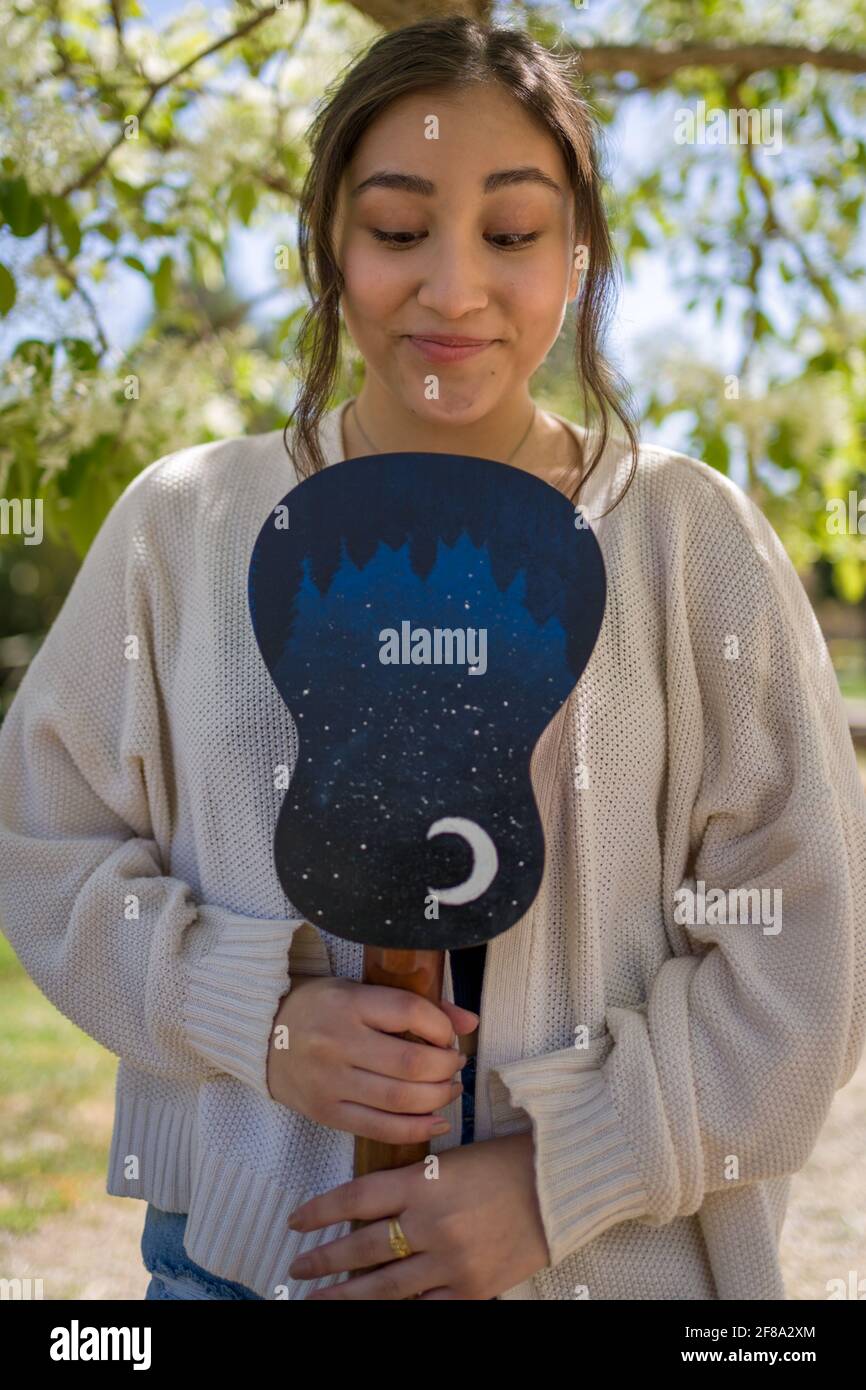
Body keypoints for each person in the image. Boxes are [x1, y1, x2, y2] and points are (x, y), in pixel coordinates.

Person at [1, 16, 865, 1303]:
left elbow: (806, 946)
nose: (451, 289)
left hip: (604, 1278)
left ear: (575, 259)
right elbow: (49, 843)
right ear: (329, 250)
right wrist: (260, 1019)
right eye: (397, 231)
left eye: (510, 235)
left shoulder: (691, 543)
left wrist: (556, 1178)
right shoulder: (182, 530)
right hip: (245, 1272)